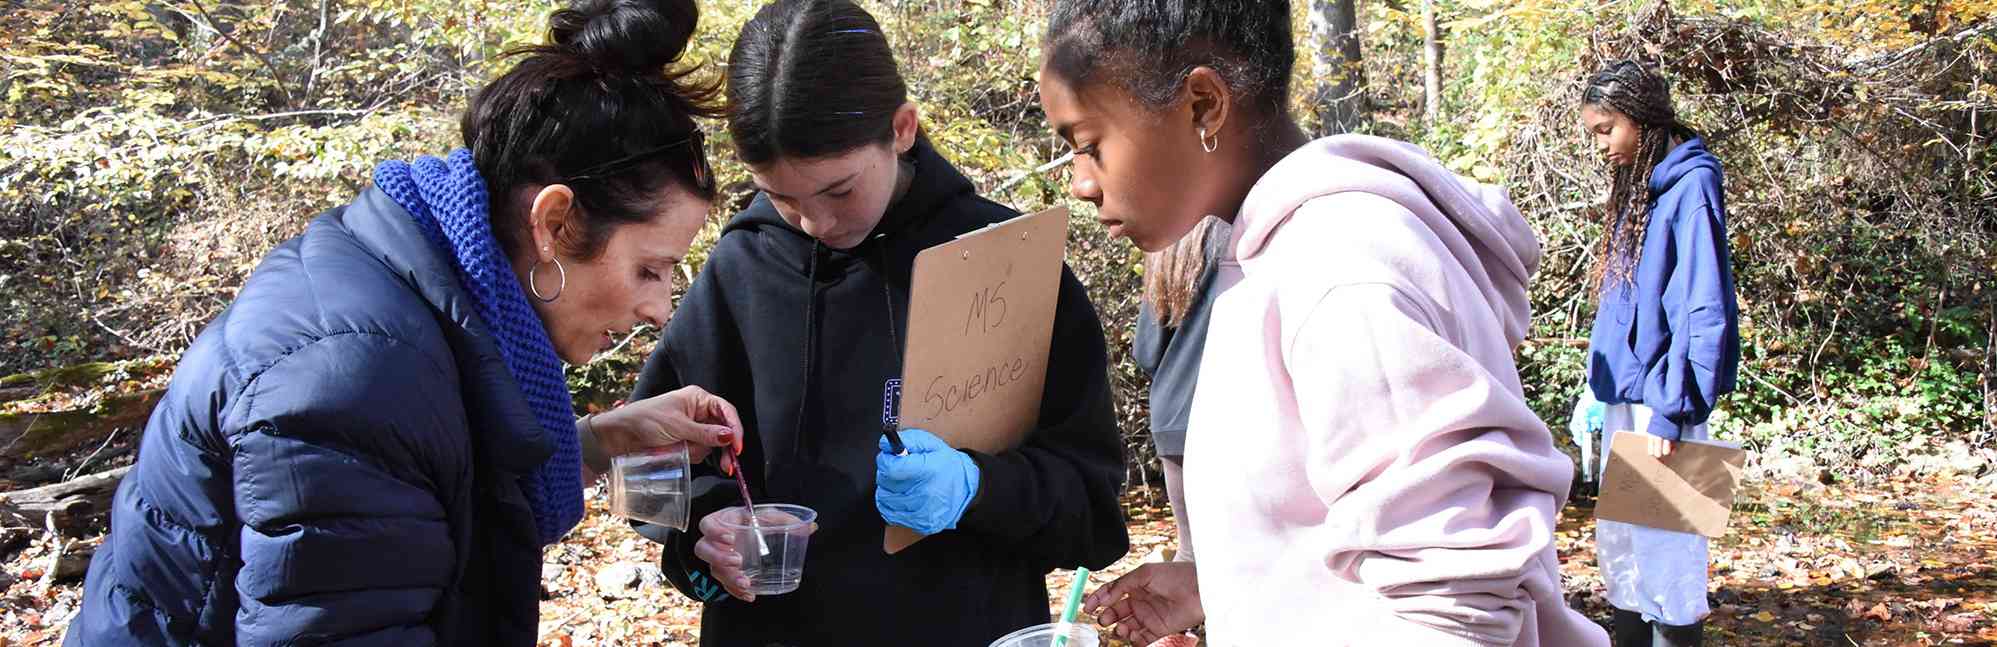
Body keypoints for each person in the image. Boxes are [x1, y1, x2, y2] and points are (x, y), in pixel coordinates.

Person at [64, 1, 742, 644]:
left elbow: (427, 480)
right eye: (650, 270)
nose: (659, 309)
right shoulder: (352, 378)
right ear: (554, 223)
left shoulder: (406, 288)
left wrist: (597, 442)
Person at [1038, 1, 1610, 644]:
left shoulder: (1341, 262)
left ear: (1202, 105)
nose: (1082, 184)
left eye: (1089, 146)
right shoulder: (1269, 254)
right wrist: (1226, 583)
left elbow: (1452, 605)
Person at [626, 1, 1129, 644]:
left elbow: (1092, 513)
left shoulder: (1007, 262)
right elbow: (645, 473)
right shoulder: (742, 268)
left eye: (838, 190)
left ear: (901, 128)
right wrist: (707, 529)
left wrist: (979, 488)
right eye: (782, 198)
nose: (816, 224)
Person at [1578, 59, 1740, 647]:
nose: (1601, 145)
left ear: (1641, 119)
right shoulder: (1637, 181)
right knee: (1624, 552)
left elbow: (1704, 305)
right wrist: (1595, 386)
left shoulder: (1693, 184)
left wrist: (1673, 410)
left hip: (1666, 400)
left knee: (1671, 555)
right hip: (1627, 393)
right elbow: (1623, 299)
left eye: (1607, 129)